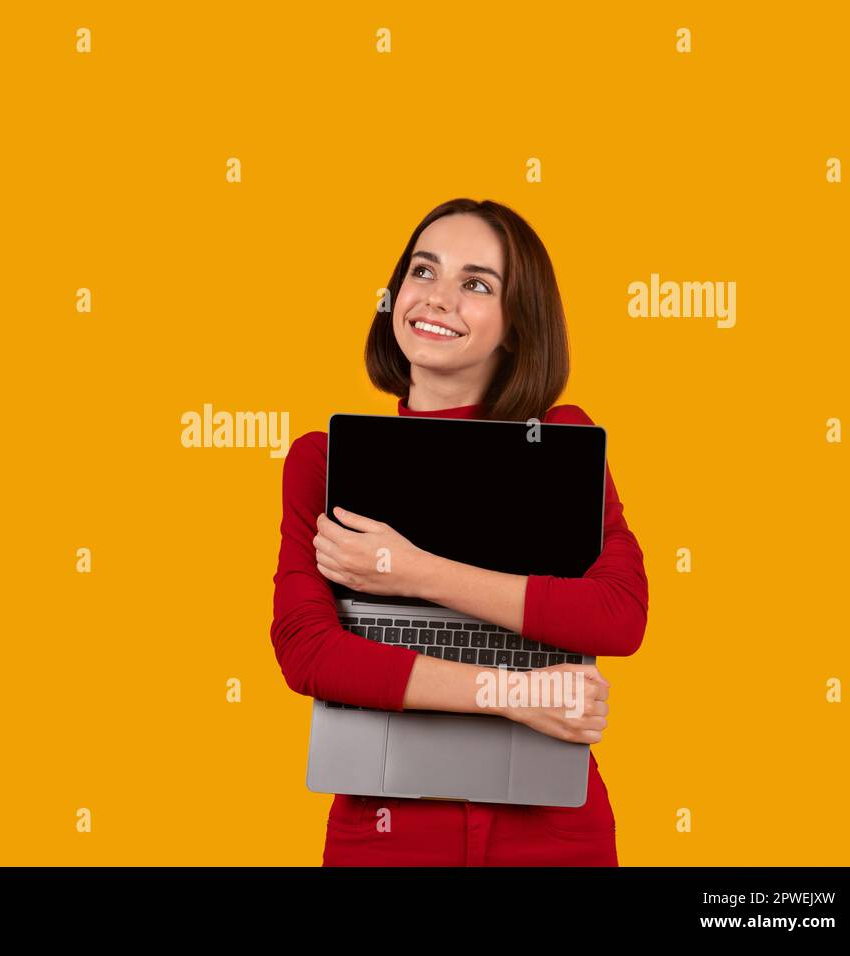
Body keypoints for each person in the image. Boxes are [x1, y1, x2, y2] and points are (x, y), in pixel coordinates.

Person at [269, 198, 649, 866]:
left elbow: (618, 618)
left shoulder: (562, 443)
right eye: (423, 272)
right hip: (382, 832)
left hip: (551, 833)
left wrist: (409, 571)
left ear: (515, 325)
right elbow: (309, 652)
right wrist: (512, 694)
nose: (437, 299)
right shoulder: (320, 462)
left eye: (476, 284)